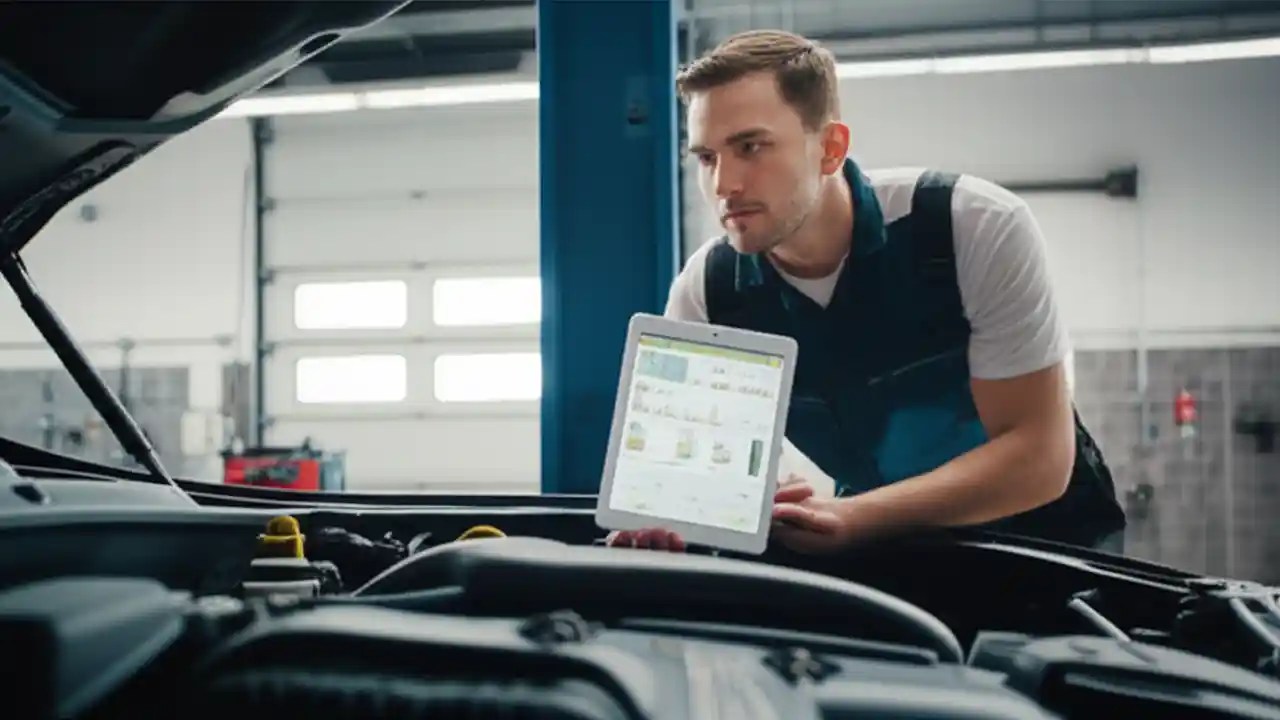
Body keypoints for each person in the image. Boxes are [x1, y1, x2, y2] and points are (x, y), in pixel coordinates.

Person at [608, 29, 1126, 555]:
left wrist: (853, 517)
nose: (723, 185)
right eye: (707, 157)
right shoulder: (708, 294)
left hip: (1052, 550)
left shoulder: (971, 226)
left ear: (830, 148)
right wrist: (670, 521)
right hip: (887, 547)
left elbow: (1040, 457)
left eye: (750, 147)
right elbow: (690, 491)